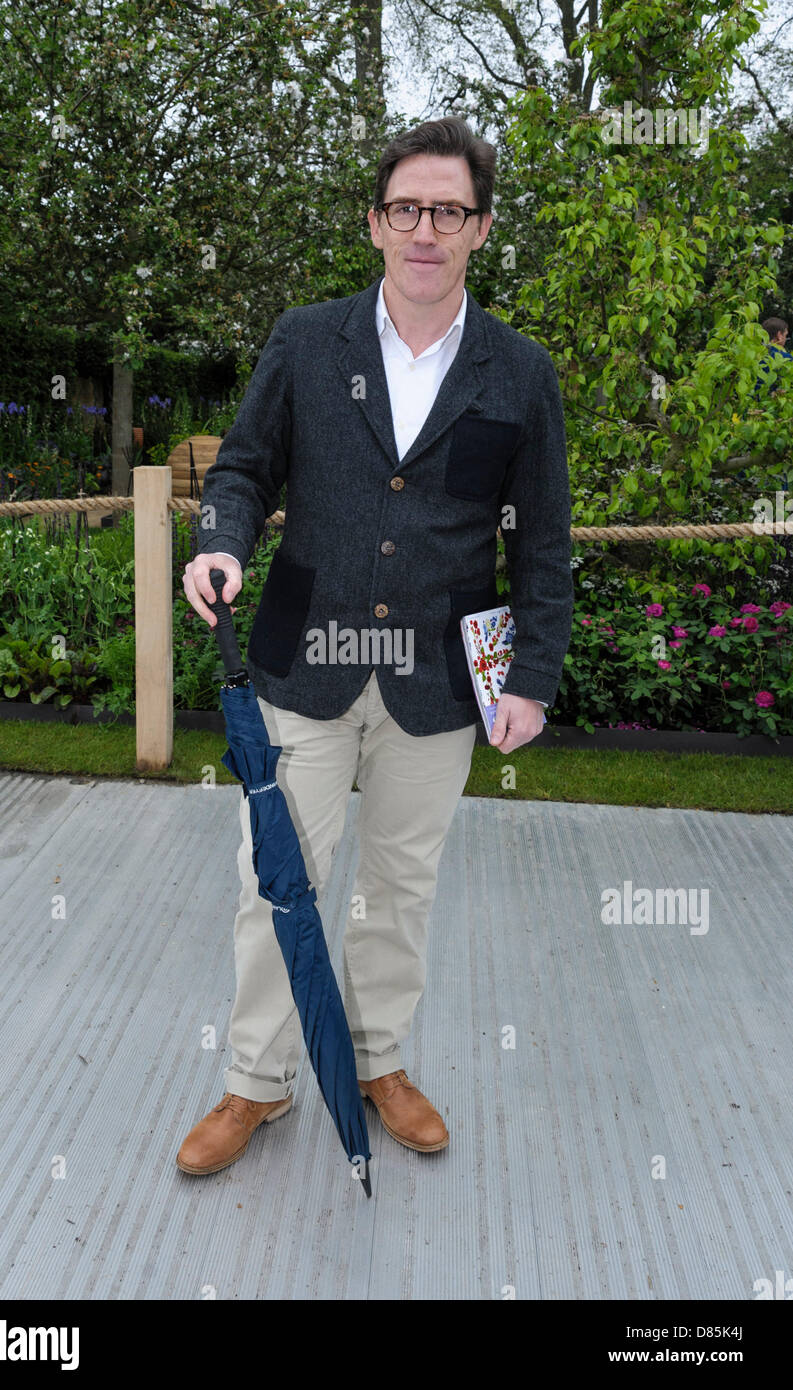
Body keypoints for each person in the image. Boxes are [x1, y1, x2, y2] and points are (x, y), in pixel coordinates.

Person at [176, 115, 573, 1176]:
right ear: (375, 224)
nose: (426, 229)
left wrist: (529, 676)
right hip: (302, 662)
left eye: (449, 210)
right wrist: (218, 544)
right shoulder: (309, 340)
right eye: (408, 208)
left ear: (480, 230)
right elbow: (242, 470)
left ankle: (377, 1061)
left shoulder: (518, 372)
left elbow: (544, 538)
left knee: (399, 885)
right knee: (275, 879)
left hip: (438, 681)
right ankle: (255, 1082)